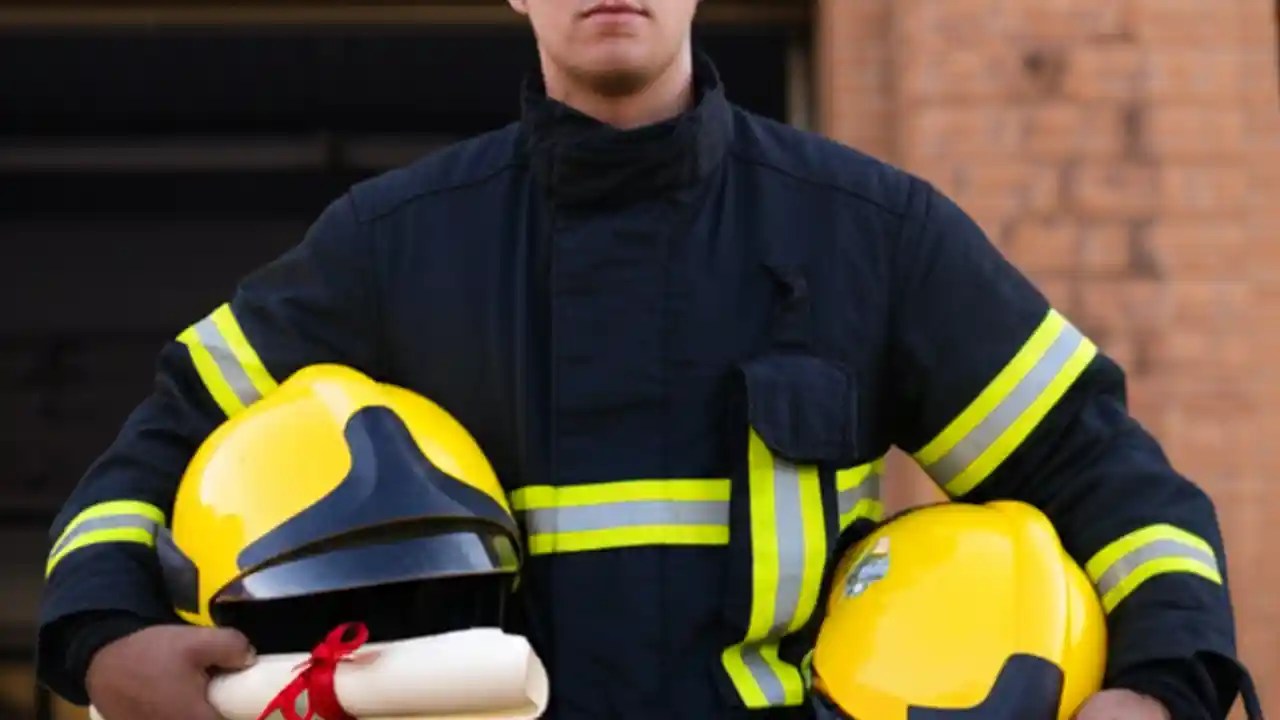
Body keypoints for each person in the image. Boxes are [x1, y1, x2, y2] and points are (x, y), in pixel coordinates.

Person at [37, 1, 1256, 719]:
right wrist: (101, 636)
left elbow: (1102, 474)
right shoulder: (391, 247)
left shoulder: (868, 236)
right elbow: (164, 443)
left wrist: (1160, 685)